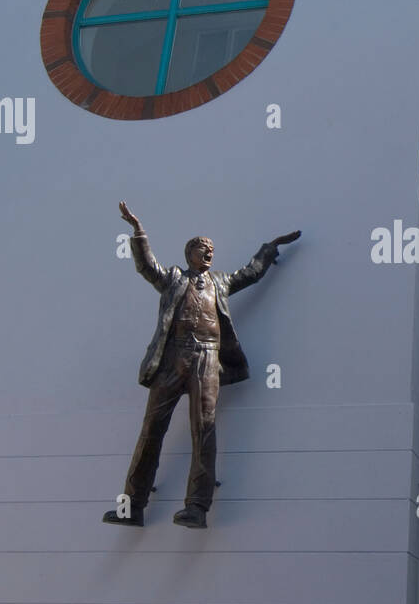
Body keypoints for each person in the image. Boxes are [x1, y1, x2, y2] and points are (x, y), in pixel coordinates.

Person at [103, 200, 299, 528]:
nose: (208, 251)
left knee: (204, 429)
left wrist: (270, 249)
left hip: (207, 358)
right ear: (188, 254)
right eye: (201, 247)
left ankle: (197, 506)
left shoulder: (220, 282)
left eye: (210, 248)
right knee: (151, 429)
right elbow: (147, 267)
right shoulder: (173, 279)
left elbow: (249, 274)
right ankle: (132, 507)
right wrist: (138, 232)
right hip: (172, 358)